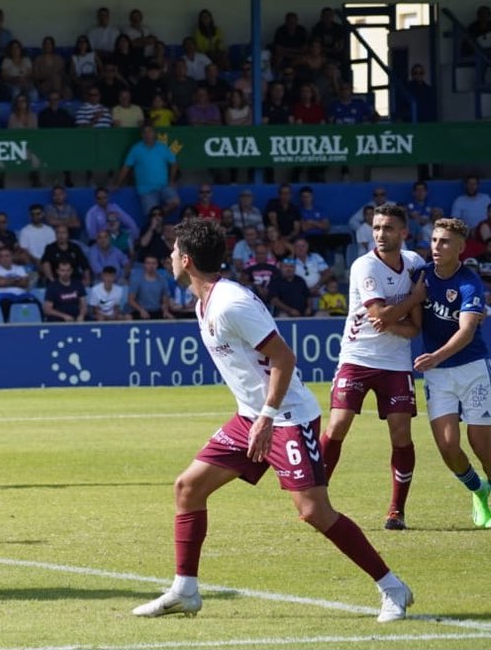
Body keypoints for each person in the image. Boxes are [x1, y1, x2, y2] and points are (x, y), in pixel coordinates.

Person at [131, 218, 412, 623]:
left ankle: (393, 588)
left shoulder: (231, 303)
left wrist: (266, 417)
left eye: (174, 252)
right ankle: (185, 590)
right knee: (188, 487)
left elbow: (284, 358)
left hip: (287, 418)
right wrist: (257, 416)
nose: (169, 257)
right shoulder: (203, 301)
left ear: (187, 260)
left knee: (315, 511)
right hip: (253, 417)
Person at [320, 204, 427, 530]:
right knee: (338, 424)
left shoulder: (415, 264)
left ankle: (397, 511)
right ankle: (314, 499)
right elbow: (380, 316)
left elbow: (413, 328)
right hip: (357, 356)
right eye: (377, 228)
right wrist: (410, 301)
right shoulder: (363, 266)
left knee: (401, 434)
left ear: (403, 233)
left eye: (388, 228)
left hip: (395, 362)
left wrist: (392, 317)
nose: (380, 234)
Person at [414, 217, 491, 528]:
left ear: (460, 248)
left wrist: (436, 356)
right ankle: (479, 491)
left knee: (482, 444)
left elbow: (468, 331)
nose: (436, 247)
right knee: (447, 446)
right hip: (439, 374)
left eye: (444, 242)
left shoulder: (469, 282)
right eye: (434, 240)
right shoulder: (421, 276)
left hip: (472, 368)